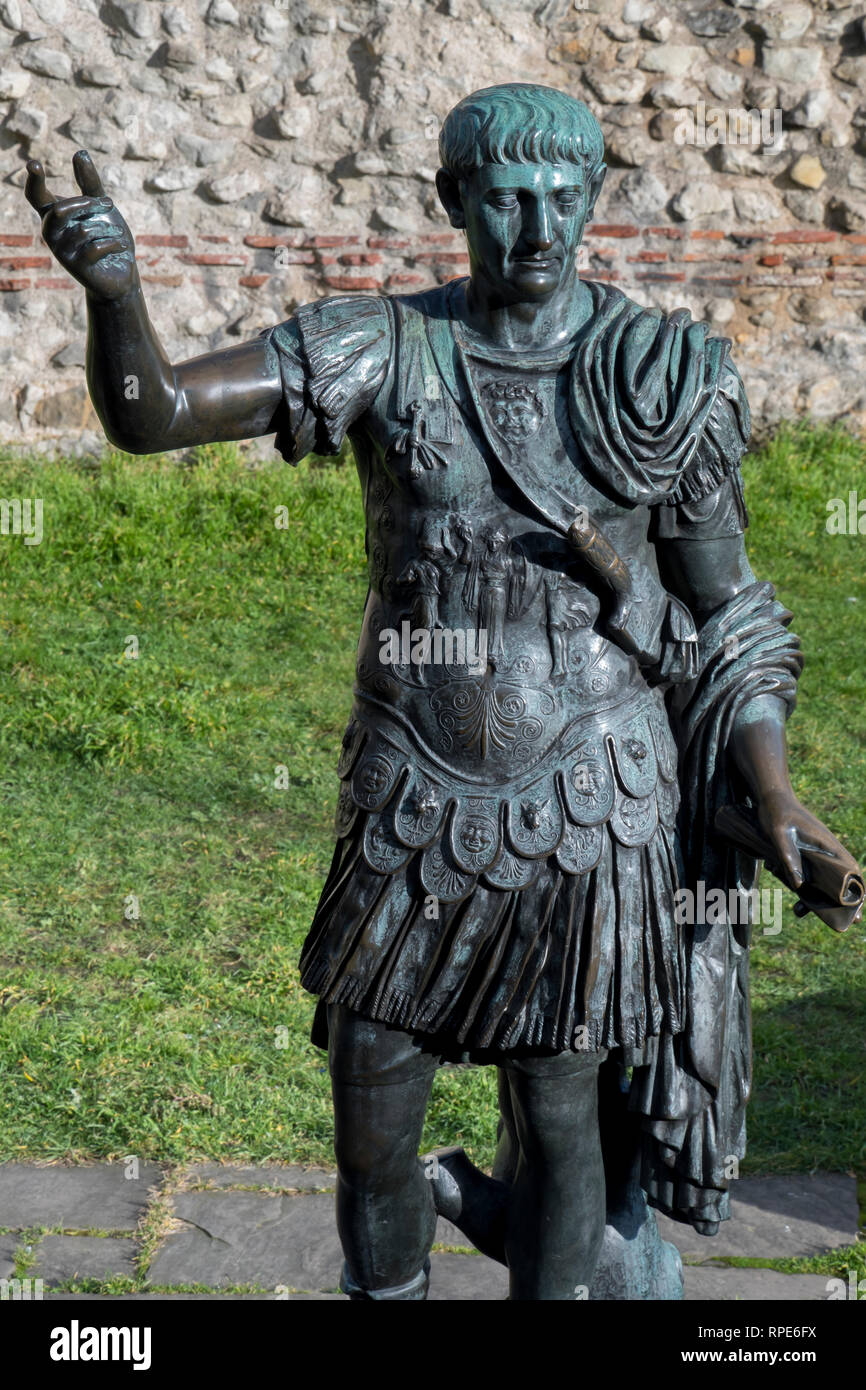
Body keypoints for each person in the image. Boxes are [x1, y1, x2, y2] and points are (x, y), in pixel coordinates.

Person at [24, 82, 857, 1302]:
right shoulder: (379, 344)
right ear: (450, 200)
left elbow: (730, 614)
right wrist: (116, 298)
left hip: (591, 795)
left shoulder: (659, 375)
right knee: (370, 1097)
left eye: (562, 201)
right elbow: (155, 417)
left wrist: (771, 786)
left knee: (564, 1108)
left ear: (592, 202)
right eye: (507, 200)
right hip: (412, 794)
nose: (535, 231)